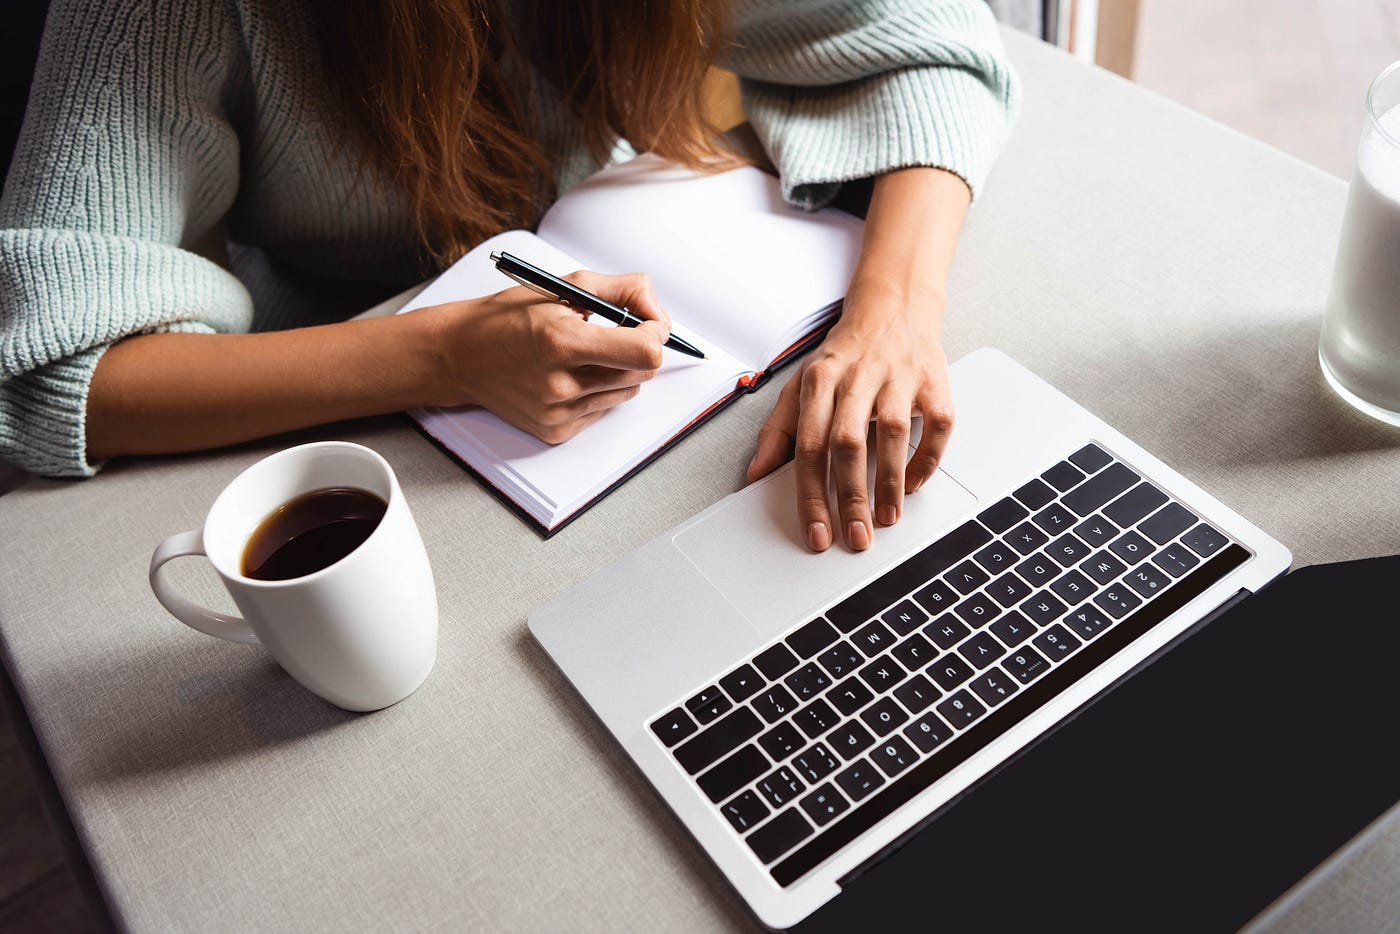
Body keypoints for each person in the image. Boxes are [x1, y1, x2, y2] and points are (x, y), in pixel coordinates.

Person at [0, 0, 1019, 552]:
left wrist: (889, 313)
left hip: (599, 367)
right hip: (333, 388)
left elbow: (935, 42)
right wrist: (440, 351)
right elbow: (56, 369)